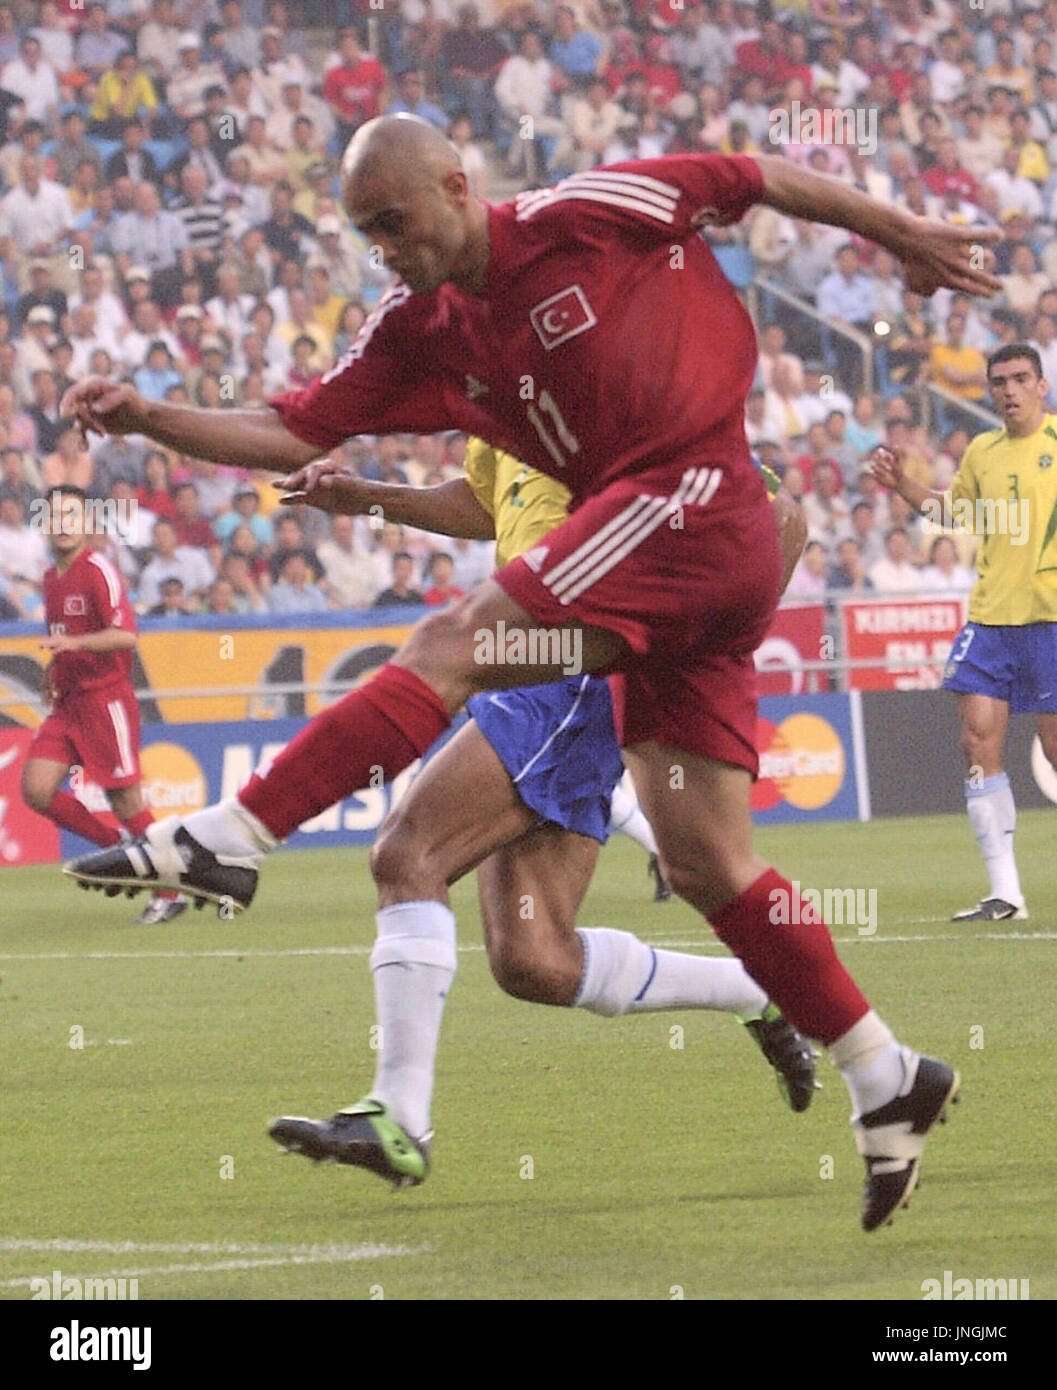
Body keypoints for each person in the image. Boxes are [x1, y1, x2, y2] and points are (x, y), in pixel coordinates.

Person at [62, 117, 998, 1232]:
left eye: (394, 223)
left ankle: (232, 837)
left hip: (690, 496)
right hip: (671, 577)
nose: (385, 250)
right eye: (366, 234)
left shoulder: (588, 210)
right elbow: (293, 424)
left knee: (455, 648)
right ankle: (884, 1073)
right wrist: (151, 418)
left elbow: (754, 175)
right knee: (704, 861)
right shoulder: (421, 333)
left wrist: (903, 234)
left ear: (458, 187)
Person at [261, 438, 815, 1183]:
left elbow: (779, 516)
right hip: (524, 664)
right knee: (534, 960)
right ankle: (756, 990)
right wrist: (366, 496)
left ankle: (397, 1117)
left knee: (406, 854)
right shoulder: (501, 393)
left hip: (572, 667)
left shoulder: (618, 374)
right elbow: (486, 505)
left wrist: (704, 657)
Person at [871, 343, 1057, 923]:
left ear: (1042, 384)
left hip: (1050, 619)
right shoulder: (982, 450)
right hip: (991, 621)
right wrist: (904, 486)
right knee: (977, 743)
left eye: (1021, 379)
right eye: (999, 381)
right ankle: (1006, 893)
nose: (1009, 390)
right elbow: (953, 514)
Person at [20, 487, 187, 925]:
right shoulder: (51, 576)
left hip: (105, 699)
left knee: (126, 799)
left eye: (71, 514)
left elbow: (127, 636)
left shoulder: (98, 570)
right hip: (69, 703)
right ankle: (117, 848)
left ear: (86, 522)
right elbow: (63, 634)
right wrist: (53, 668)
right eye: (55, 515)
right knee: (36, 789)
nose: (62, 522)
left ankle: (171, 891)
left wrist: (73, 643)